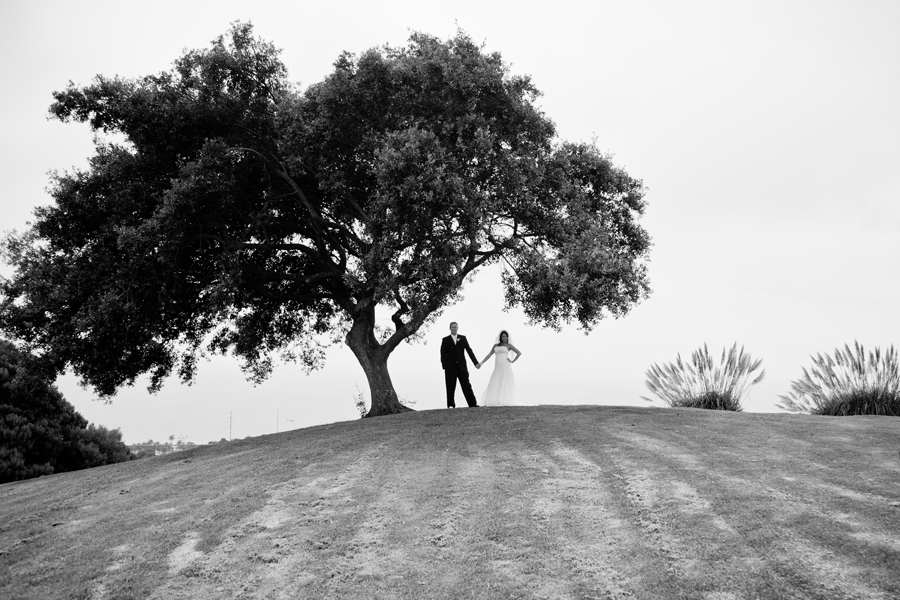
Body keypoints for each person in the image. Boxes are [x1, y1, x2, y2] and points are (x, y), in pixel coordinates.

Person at [440, 321, 480, 408]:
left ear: (457, 328)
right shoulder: (445, 340)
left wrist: (476, 363)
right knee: (450, 386)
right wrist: (444, 366)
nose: (454, 328)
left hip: (462, 367)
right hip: (450, 368)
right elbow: (443, 354)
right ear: (450, 328)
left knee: (466, 385)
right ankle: (451, 404)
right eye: (452, 327)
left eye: (455, 327)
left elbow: (469, 351)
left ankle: (472, 403)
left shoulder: (463, 338)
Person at [477, 330, 522, 406]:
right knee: (495, 380)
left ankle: (504, 400)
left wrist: (512, 361)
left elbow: (519, 353)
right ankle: (495, 400)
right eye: (503, 336)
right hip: (497, 366)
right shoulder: (495, 346)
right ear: (500, 337)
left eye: (506, 336)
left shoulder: (509, 345)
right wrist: (481, 363)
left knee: (505, 382)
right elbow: (489, 355)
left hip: (506, 365)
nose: (504, 338)